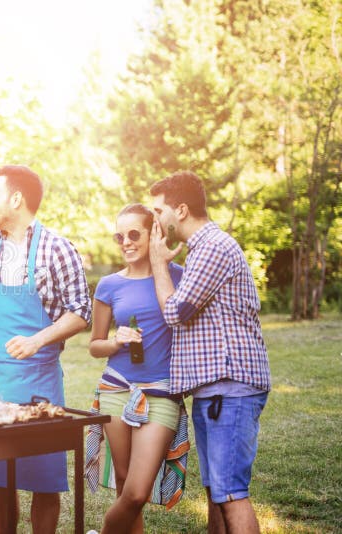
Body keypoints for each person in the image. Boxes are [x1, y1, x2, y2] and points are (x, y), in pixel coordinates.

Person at [0, 165, 92, 534]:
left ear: (16, 199)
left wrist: (37, 339)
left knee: (43, 479)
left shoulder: (57, 248)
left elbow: (81, 312)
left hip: (39, 384)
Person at [148, 170, 271, 534]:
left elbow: (175, 312)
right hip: (215, 390)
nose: (155, 220)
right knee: (217, 492)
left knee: (230, 494)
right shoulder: (201, 250)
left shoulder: (214, 247)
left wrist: (158, 263)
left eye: (158, 211)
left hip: (229, 388)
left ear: (180, 210)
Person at [85, 203, 188, 534]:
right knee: (124, 480)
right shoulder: (109, 285)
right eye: (120, 236)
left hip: (160, 393)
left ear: (153, 233)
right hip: (116, 390)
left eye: (134, 234)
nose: (126, 242)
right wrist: (116, 341)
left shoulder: (178, 276)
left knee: (137, 492)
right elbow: (94, 345)